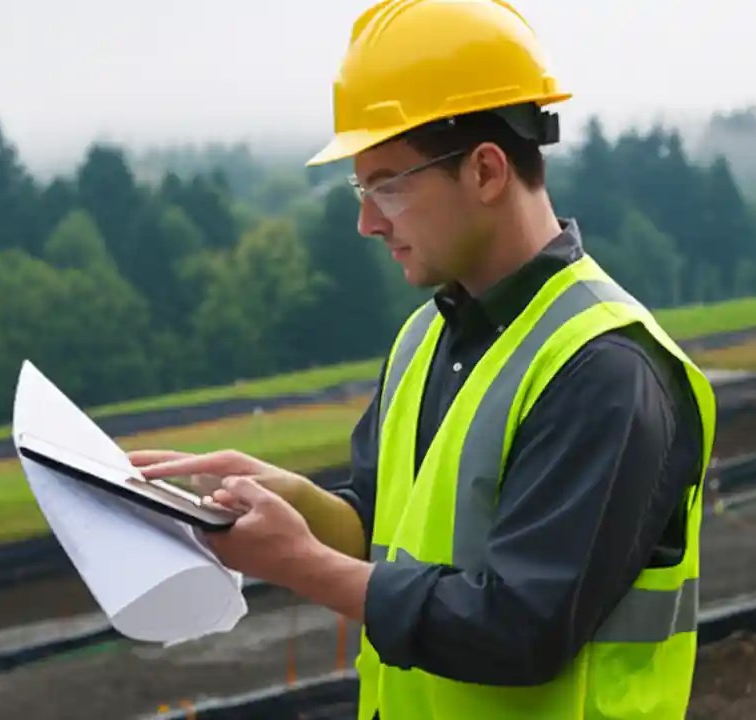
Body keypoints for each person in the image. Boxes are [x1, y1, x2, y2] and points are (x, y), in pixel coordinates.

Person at [128, 1, 718, 717]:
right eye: (362, 187)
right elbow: (388, 535)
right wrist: (293, 504)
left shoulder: (605, 371)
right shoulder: (425, 339)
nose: (367, 221)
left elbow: (518, 631)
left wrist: (300, 564)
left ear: (487, 171)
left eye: (388, 185)